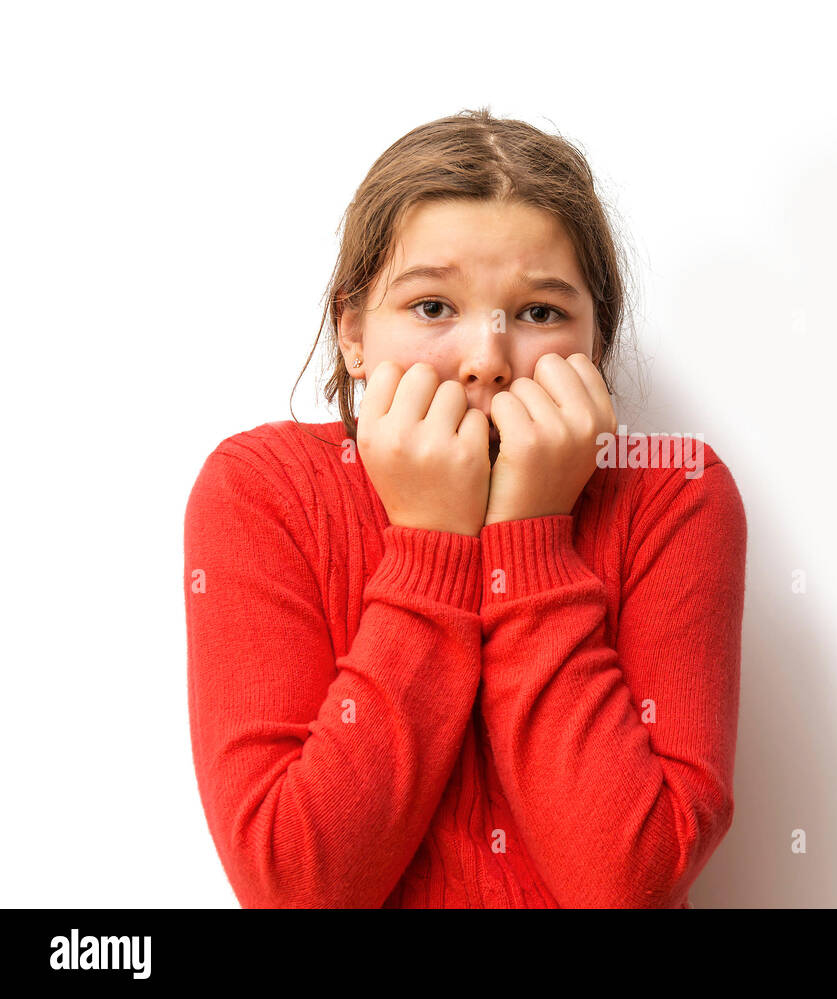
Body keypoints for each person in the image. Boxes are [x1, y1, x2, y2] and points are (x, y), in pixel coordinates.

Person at [183, 108, 747, 908]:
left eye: (540, 313)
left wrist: (533, 537)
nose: (486, 360)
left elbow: (628, 880)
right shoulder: (260, 490)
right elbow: (297, 887)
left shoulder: (675, 493)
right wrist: (429, 542)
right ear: (352, 332)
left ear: (596, 340)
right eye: (433, 308)